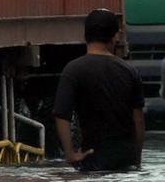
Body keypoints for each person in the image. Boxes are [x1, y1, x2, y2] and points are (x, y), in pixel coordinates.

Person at [53, 9, 145, 171]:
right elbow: (138, 120)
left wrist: (70, 153)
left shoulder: (73, 70)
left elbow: (61, 114)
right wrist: (136, 158)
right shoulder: (129, 71)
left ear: (85, 35)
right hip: (125, 161)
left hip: (93, 160)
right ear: (114, 37)